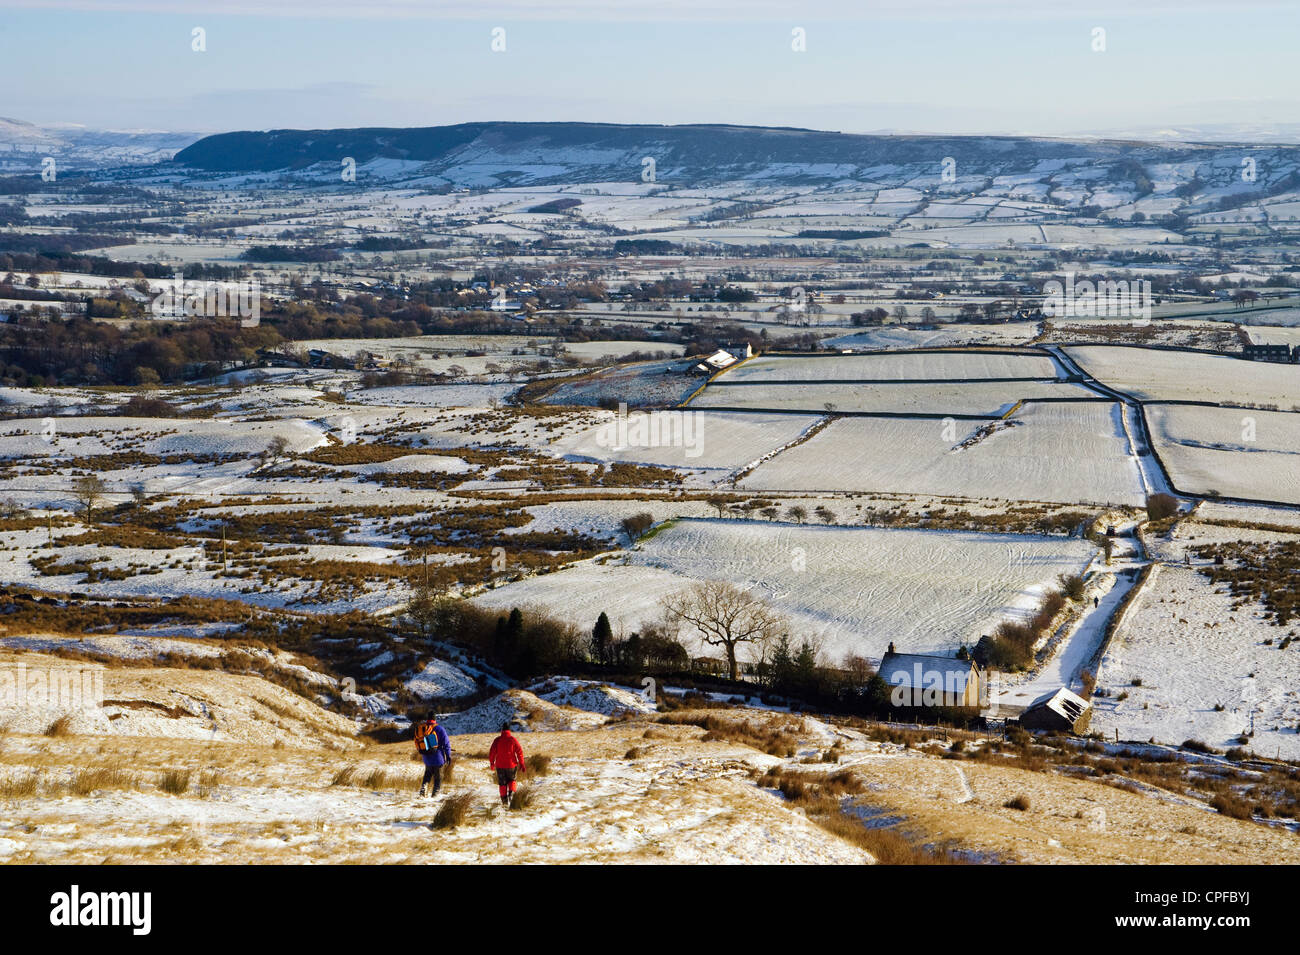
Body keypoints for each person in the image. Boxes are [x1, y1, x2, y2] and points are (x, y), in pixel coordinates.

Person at [488, 722, 526, 807]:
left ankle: (504, 802)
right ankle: (511, 794)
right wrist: (522, 763)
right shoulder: (513, 740)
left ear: (502, 730)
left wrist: (492, 763)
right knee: (512, 780)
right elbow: (519, 752)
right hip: (511, 765)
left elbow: (492, 752)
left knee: (502, 784)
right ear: (509, 730)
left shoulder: (497, 740)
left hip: (500, 766)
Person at [414, 711, 451, 797]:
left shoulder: (423, 728)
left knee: (427, 777)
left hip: (427, 758)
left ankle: (423, 792)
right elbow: (446, 743)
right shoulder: (440, 729)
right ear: (435, 719)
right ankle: (435, 796)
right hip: (438, 759)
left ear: (428, 718)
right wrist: (448, 755)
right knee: (438, 779)